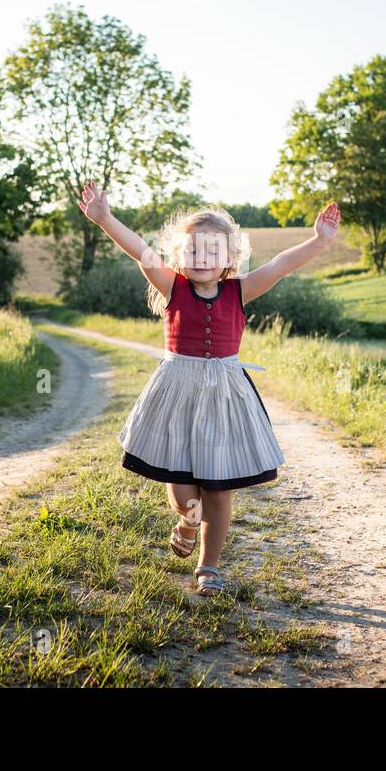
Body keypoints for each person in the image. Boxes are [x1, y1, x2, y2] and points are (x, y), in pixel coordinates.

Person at [76, 180, 341, 595]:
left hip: (224, 396)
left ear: (230, 259)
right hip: (176, 393)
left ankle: (209, 568)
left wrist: (318, 241)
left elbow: (280, 266)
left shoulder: (240, 290)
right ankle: (185, 519)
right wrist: (104, 218)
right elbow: (140, 252)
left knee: (219, 488)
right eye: (193, 250)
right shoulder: (173, 288)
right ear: (179, 256)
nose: (202, 257)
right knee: (183, 488)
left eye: (212, 251)